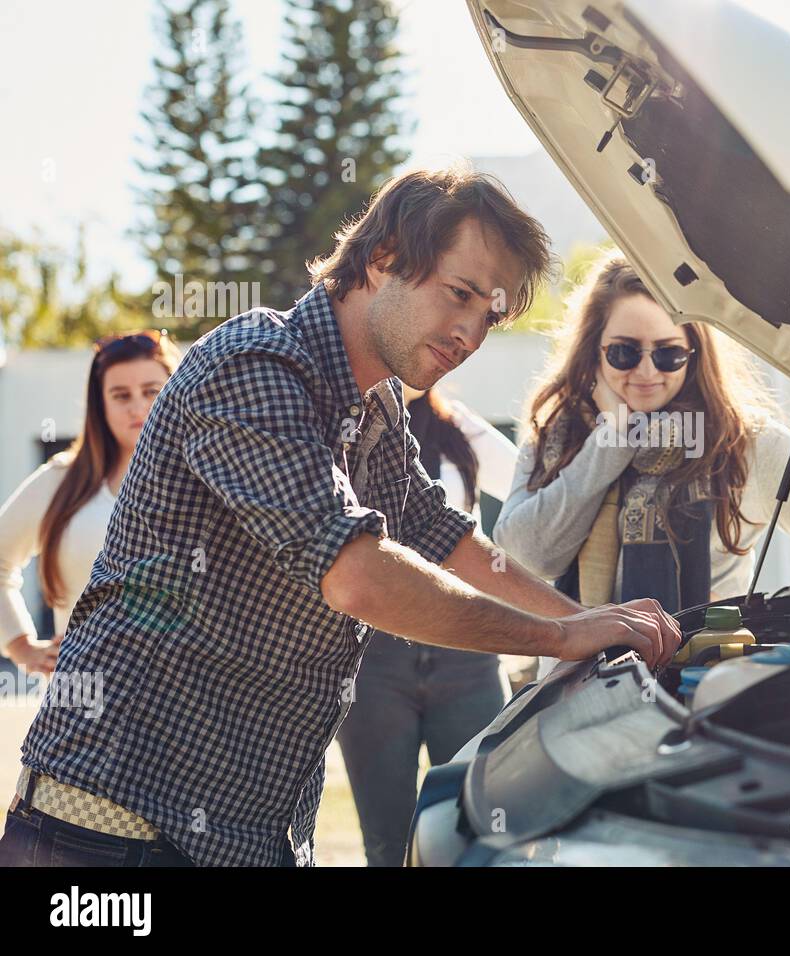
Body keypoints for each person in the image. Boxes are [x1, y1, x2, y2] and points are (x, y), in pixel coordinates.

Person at [0, 167, 679, 869]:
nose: (471, 333)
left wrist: (595, 631)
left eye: (491, 316)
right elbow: (357, 577)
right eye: (460, 295)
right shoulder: (252, 364)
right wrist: (559, 637)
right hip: (111, 831)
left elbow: (439, 532)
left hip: (245, 835)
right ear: (384, 258)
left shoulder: (376, 406)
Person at [494, 253, 790, 626]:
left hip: (697, 676)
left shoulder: (743, 442)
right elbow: (527, 559)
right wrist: (615, 437)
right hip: (574, 679)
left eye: (668, 354)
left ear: (694, 354)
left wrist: (785, 617)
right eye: (624, 352)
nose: (646, 371)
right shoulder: (561, 432)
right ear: (594, 351)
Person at [336, 387, 518, 867]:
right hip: (374, 659)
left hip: (467, 652)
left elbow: (529, 486)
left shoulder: (459, 426)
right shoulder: (340, 425)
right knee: (386, 839)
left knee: (480, 826)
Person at [0, 331, 180, 677]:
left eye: (151, 392)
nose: (138, 407)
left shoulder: (204, 479)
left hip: (184, 703)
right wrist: (20, 646)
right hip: (84, 701)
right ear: (101, 405)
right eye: (121, 395)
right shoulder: (61, 481)